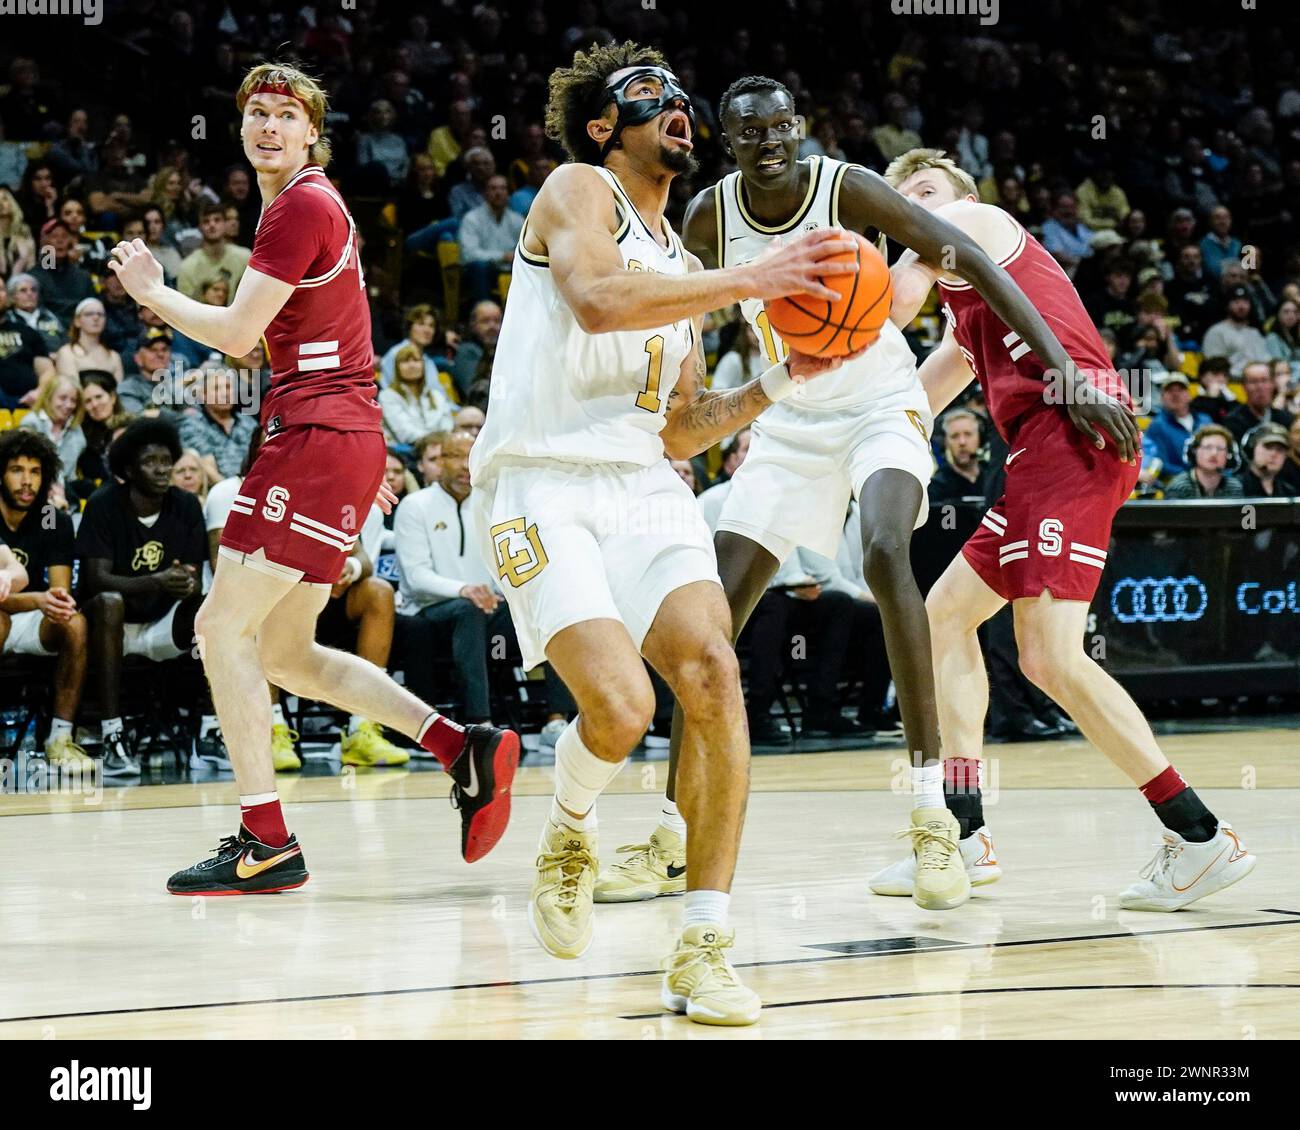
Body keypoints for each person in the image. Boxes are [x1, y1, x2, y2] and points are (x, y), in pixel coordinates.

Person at [607, 90, 1110, 918]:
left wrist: (1067, 375)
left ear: (796, 130)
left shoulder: (846, 187)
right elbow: (667, 315)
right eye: (748, 130)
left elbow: (974, 262)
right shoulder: (706, 218)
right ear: (726, 140)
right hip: (787, 418)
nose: (766, 141)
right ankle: (669, 836)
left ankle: (930, 820)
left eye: (779, 127)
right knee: (711, 625)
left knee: (883, 552)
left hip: (881, 403)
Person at [468, 44, 868, 1025]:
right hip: (537, 482)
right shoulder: (576, 190)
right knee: (617, 706)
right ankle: (568, 826)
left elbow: (680, 427)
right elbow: (597, 300)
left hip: (642, 483)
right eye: (647, 96)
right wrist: (754, 275)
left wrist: (784, 378)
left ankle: (702, 942)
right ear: (602, 126)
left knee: (712, 675)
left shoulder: (684, 265)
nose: (676, 106)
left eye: (679, 93)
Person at [106, 61, 519, 891]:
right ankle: (459, 747)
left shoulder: (298, 204)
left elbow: (234, 335)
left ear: (310, 134)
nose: (266, 126)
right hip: (333, 435)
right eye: (254, 113)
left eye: (283, 116)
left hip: (319, 437)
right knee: (288, 653)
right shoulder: (302, 205)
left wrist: (151, 292)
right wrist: (355, 449)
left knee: (219, 631)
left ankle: (266, 840)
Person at [878, 148, 1253, 913]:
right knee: (942, 620)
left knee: (1048, 656)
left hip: (1070, 434)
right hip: (1034, 456)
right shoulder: (965, 311)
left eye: (921, 192)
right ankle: (964, 831)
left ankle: (1199, 835)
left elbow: (888, 303)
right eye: (900, 198)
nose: (911, 204)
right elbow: (915, 401)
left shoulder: (975, 223)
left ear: (958, 198)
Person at [75, 418, 209, 777]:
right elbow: (97, 579)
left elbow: (192, 575)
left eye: (167, 460)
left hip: (161, 624)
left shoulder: (186, 506)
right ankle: (112, 736)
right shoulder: (103, 504)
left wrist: (185, 585)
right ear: (129, 470)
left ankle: (211, 731)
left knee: (209, 606)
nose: (163, 469)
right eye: (151, 462)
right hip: (107, 630)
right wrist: (158, 580)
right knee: (109, 602)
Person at [0, 430, 91, 768]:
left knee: (74, 622)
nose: (27, 481)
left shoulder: (54, 519)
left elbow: (58, 595)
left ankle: (61, 739)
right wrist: (37, 599)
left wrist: (44, 601)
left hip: (32, 618)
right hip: (6, 614)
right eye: (16, 470)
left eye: (35, 472)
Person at [178, 366, 257, 485]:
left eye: (228, 387)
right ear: (203, 395)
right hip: (219, 491)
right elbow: (206, 468)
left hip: (255, 487)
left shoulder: (249, 423)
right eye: (216, 388)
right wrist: (233, 493)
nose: (224, 393)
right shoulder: (192, 424)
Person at [458, 174, 525, 305]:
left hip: (508, 269)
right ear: (485, 193)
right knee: (479, 267)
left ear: (508, 193)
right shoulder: (472, 218)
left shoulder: (517, 220)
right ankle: (485, 312)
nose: (498, 192)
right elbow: (469, 254)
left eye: (503, 188)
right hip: (479, 271)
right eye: (493, 188)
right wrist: (502, 256)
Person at [379, 341, 456, 443]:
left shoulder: (436, 395)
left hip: (440, 447)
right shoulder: (387, 396)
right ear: (397, 367)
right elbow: (404, 432)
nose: (412, 365)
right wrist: (432, 442)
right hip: (407, 452)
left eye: (416, 360)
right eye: (405, 361)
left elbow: (447, 425)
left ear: (423, 365)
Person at [176, 200, 251, 303]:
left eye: (217, 220)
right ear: (200, 228)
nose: (212, 225)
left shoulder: (244, 257)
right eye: (206, 221)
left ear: (225, 224)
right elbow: (184, 308)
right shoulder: (187, 267)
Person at [1140, 373, 1212, 479]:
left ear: (1189, 395)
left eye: (1180, 390)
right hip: (1177, 481)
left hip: (1210, 476)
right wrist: (1193, 476)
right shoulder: (1157, 425)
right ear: (1162, 397)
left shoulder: (1205, 420)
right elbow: (1160, 462)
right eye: (1170, 391)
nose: (1175, 394)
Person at [0, 280, 55, 410]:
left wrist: (39, 392)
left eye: (1, 290)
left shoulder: (26, 331)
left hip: (27, 401)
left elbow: (47, 371)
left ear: (7, 297)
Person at [20, 372, 86, 478]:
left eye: (73, 400)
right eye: (63, 398)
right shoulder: (31, 423)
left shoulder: (76, 429)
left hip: (68, 486)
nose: (69, 405)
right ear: (48, 397)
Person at [1163, 424, 1246, 498]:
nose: (1214, 453)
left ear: (1228, 455)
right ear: (1194, 451)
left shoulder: (1234, 487)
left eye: (1220, 448)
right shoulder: (1179, 487)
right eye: (1208, 447)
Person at [1202, 287, 1269, 377]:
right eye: (1236, 302)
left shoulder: (1255, 333)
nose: (1241, 306)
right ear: (1227, 305)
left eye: (1245, 302)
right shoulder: (1216, 332)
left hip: (1259, 380)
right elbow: (1214, 368)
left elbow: (1266, 360)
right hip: (1232, 382)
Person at [54, 297, 125, 382]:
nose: (96, 318)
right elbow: (71, 390)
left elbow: (118, 392)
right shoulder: (66, 353)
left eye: (100, 314)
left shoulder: (114, 357)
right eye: (89, 314)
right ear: (77, 321)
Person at [1225, 360, 1295, 442]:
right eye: (1253, 381)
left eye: (1264, 380)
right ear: (1244, 386)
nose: (1260, 387)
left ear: (1273, 384)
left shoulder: (1286, 419)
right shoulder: (1233, 422)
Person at [929, 408, 987, 500]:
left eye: (968, 434)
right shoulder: (935, 487)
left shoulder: (995, 480)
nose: (962, 442)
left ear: (980, 438)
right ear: (945, 442)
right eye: (954, 436)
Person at [449, 299, 500, 396]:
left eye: (497, 321)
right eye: (485, 321)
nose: (492, 326)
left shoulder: (505, 351)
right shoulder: (467, 351)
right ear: (473, 325)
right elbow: (474, 392)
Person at [1234, 422, 1291, 497]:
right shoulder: (1234, 488)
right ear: (1252, 448)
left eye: (1280, 450)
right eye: (1268, 447)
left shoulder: (1289, 493)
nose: (1273, 454)